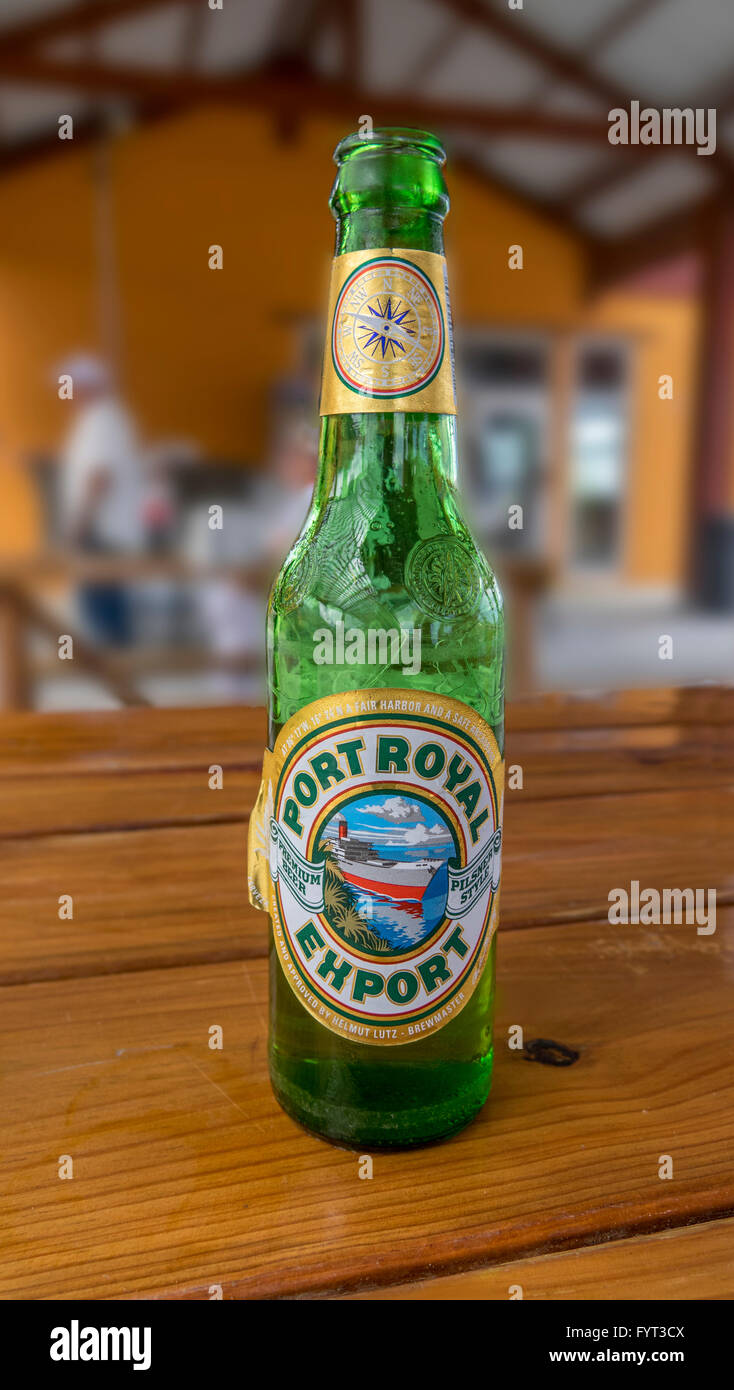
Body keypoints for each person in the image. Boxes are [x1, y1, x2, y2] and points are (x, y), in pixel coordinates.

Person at [58, 355, 145, 645]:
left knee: (105, 610)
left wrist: (78, 525)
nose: (67, 393)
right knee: (101, 606)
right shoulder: (98, 418)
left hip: (102, 530)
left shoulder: (103, 419)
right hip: (102, 529)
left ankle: (115, 673)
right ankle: (113, 671)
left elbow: (99, 477)